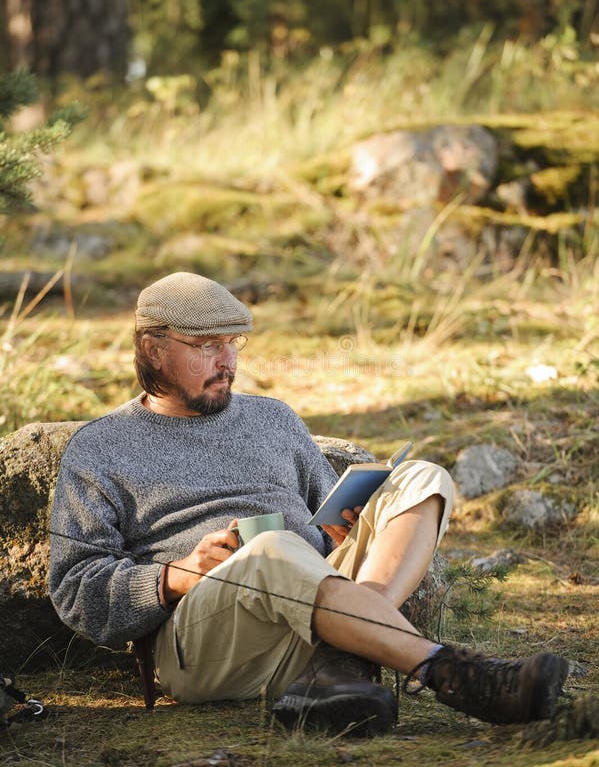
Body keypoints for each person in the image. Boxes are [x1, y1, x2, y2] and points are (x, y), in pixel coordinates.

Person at [49, 272, 568, 735]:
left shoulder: (272, 418)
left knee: (421, 478)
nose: (227, 361)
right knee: (273, 546)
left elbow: (326, 525)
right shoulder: (100, 448)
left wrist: (336, 531)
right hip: (202, 641)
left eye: (233, 343)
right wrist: (173, 576)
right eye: (205, 345)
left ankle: (338, 664)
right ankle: (455, 674)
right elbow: (75, 589)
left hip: (307, 607)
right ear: (153, 348)